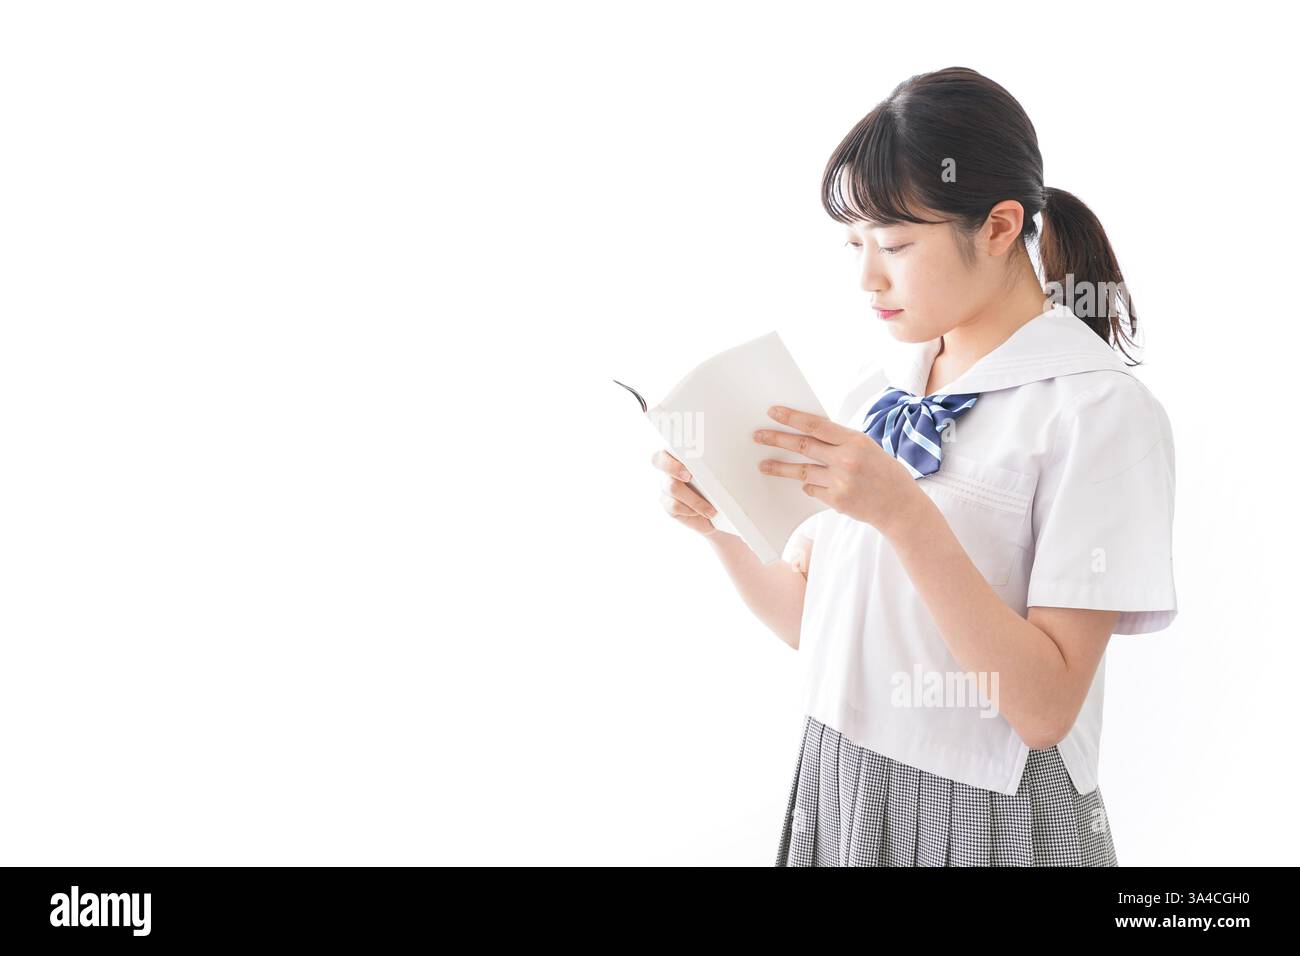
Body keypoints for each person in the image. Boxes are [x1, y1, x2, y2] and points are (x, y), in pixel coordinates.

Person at [648, 66, 1177, 866]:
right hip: (842, 779)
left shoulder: (1096, 413)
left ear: (999, 227)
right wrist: (720, 524)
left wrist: (902, 512)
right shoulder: (879, 392)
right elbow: (815, 622)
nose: (868, 278)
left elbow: (1043, 709)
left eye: (894, 245)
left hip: (991, 814)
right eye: (855, 245)